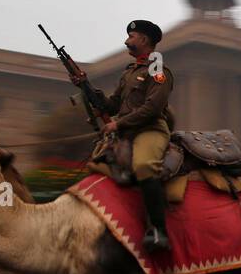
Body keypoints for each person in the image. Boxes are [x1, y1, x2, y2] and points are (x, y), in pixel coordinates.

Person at [72, 19, 175, 252]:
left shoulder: (158, 71)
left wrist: (118, 125)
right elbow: (112, 105)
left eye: (132, 37)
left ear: (145, 40)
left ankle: (159, 231)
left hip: (150, 129)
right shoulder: (129, 73)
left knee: (144, 165)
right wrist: (86, 87)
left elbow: (153, 108)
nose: (126, 41)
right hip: (126, 130)